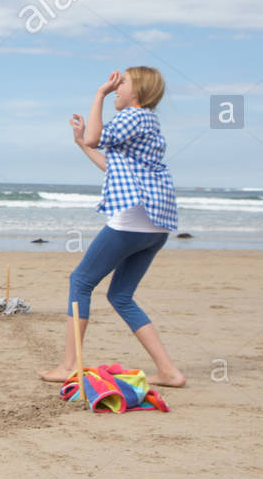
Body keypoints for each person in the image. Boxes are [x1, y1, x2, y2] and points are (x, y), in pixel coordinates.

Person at [38, 68, 184, 388]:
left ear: (139, 92)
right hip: (156, 227)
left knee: (80, 281)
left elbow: (95, 136)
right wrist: (82, 144)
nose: (116, 87)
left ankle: (69, 365)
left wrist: (99, 94)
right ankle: (169, 372)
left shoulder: (132, 115)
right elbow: (112, 166)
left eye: (122, 83)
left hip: (131, 221)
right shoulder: (148, 122)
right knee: (121, 295)